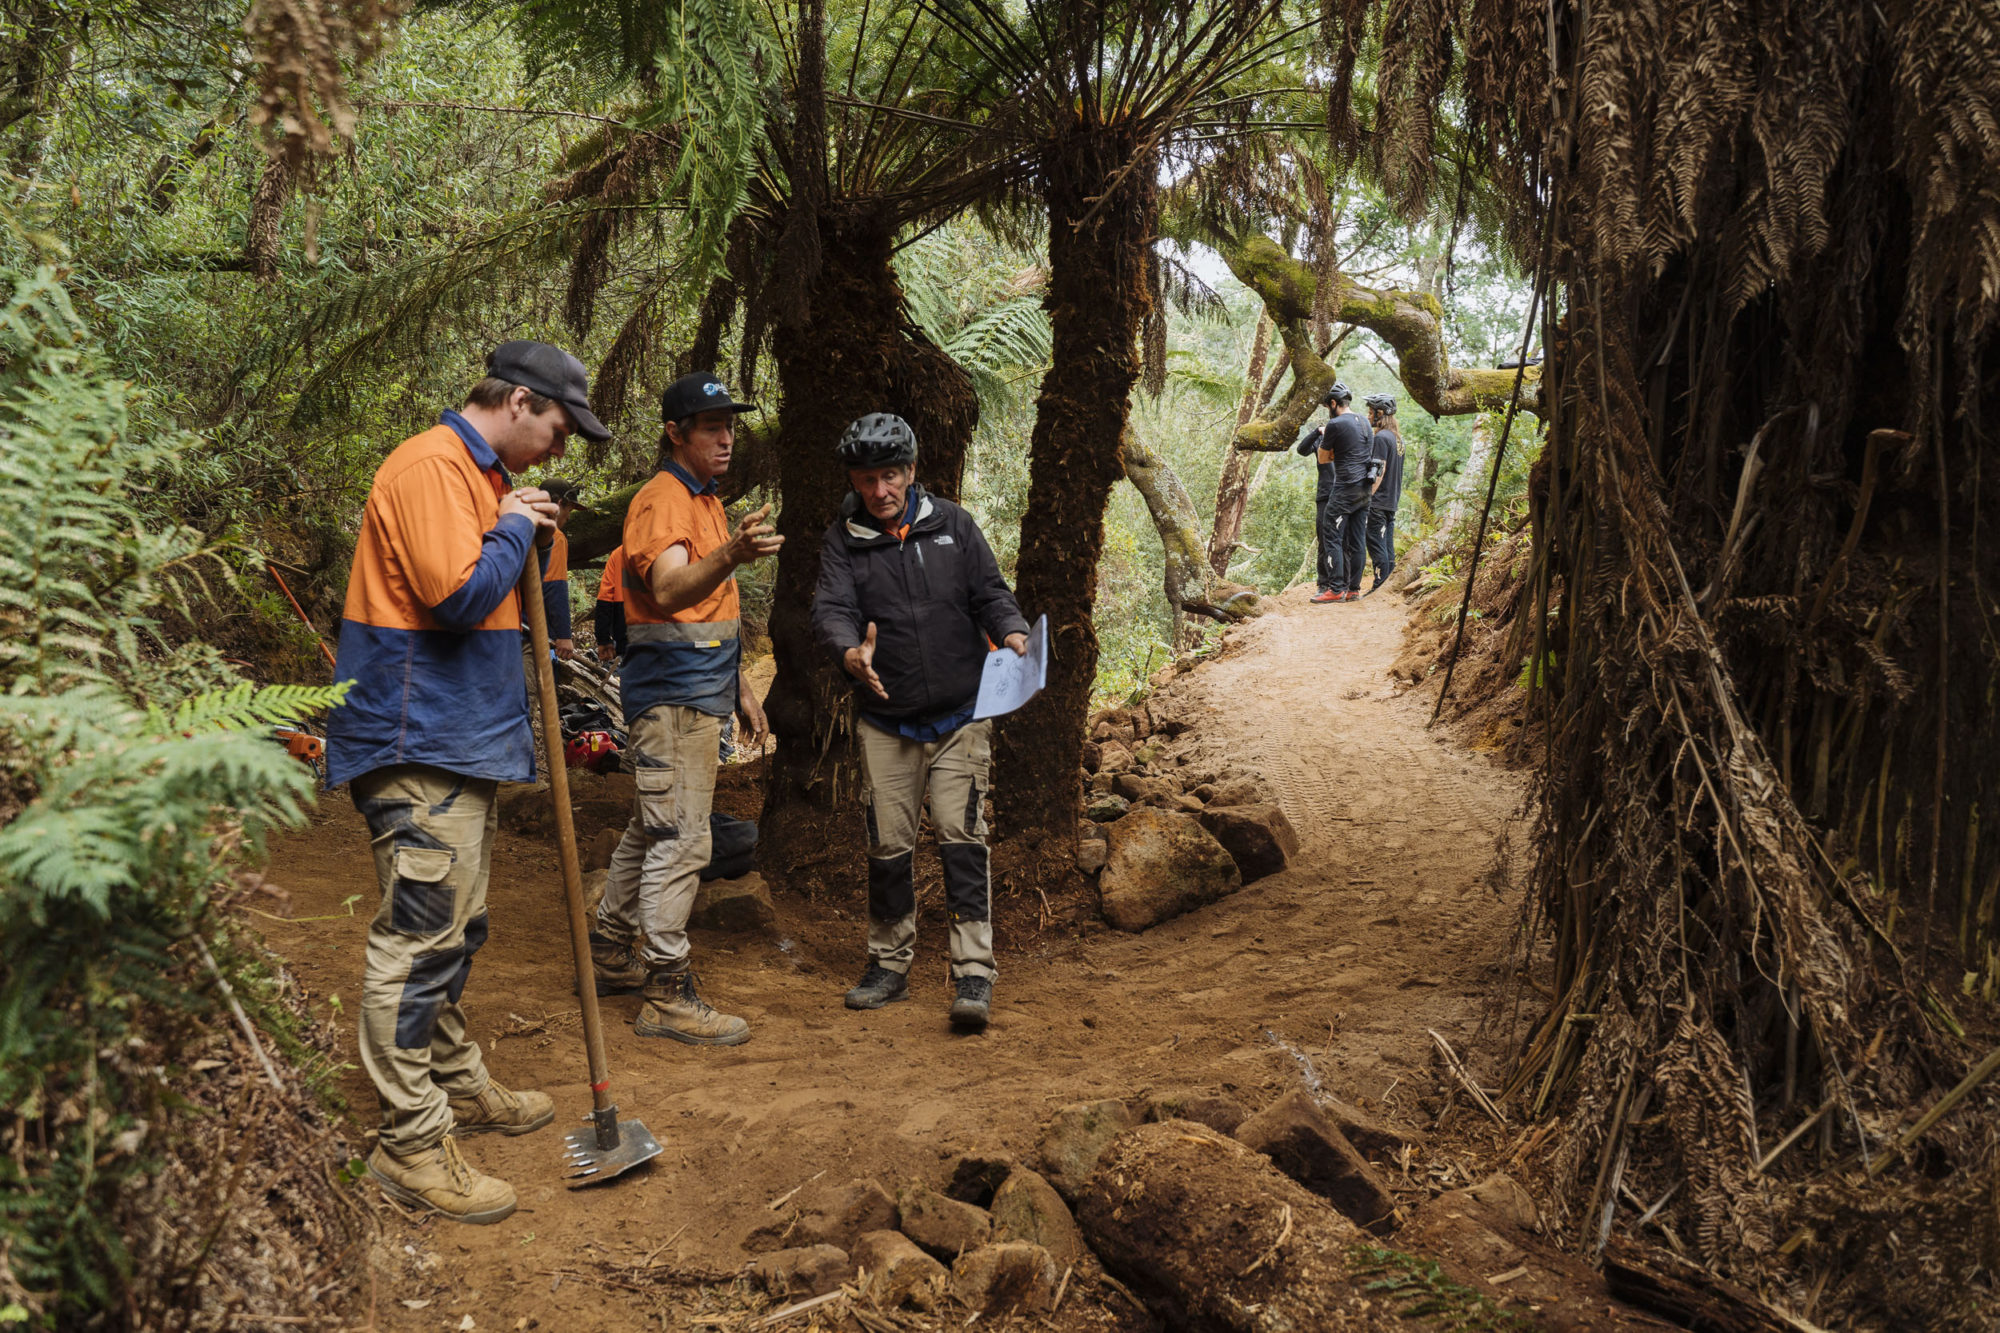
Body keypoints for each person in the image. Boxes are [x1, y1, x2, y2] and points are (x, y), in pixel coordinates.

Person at [326, 340, 611, 1225]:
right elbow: (453, 598)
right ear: (519, 402)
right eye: (559, 431)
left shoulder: (491, 487)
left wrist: (527, 528)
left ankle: (452, 1082)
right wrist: (516, 528)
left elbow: (523, 607)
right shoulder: (429, 467)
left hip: (466, 742)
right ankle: (410, 1143)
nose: (560, 452)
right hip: (418, 741)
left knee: (458, 930)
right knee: (418, 939)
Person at [810, 413, 1029, 1032]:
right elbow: (831, 608)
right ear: (853, 478)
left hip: (961, 717)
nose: (879, 490)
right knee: (888, 848)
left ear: (911, 471)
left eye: (890, 475)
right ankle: (888, 966)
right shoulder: (843, 540)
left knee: (963, 843)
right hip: (886, 723)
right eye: (866, 477)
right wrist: (849, 652)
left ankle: (974, 975)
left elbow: (990, 592)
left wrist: (1011, 631)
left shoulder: (953, 525)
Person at [589, 372, 780, 1045]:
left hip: (698, 691)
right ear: (676, 433)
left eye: (729, 424)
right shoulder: (662, 502)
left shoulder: (706, 502)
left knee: (654, 825)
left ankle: (611, 950)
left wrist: (740, 688)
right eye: (710, 426)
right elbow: (669, 591)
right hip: (670, 698)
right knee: (682, 837)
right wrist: (732, 553)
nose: (726, 437)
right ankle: (668, 992)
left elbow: (706, 613)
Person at [1297, 381, 1374, 603]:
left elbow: (1323, 457)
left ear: (1333, 403)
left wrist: (1333, 452)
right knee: (1358, 540)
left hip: (1344, 488)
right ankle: (1353, 590)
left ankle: (1336, 588)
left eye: (1327, 406)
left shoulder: (1336, 424)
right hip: (1364, 490)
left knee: (1331, 535)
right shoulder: (1365, 423)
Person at [1362, 393, 1404, 594]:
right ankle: (1387, 587)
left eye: (1371, 412)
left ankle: (1379, 586)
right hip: (1391, 501)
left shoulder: (1380, 438)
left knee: (1376, 544)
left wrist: (1366, 497)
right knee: (1387, 546)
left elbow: (1380, 470)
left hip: (1378, 502)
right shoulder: (1398, 439)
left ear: (1380, 414)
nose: (1368, 416)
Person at [593, 545, 628, 661]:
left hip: (627, 634)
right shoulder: (671, 546)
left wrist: (603, 639)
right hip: (668, 634)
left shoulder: (620, 553)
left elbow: (605, 599)